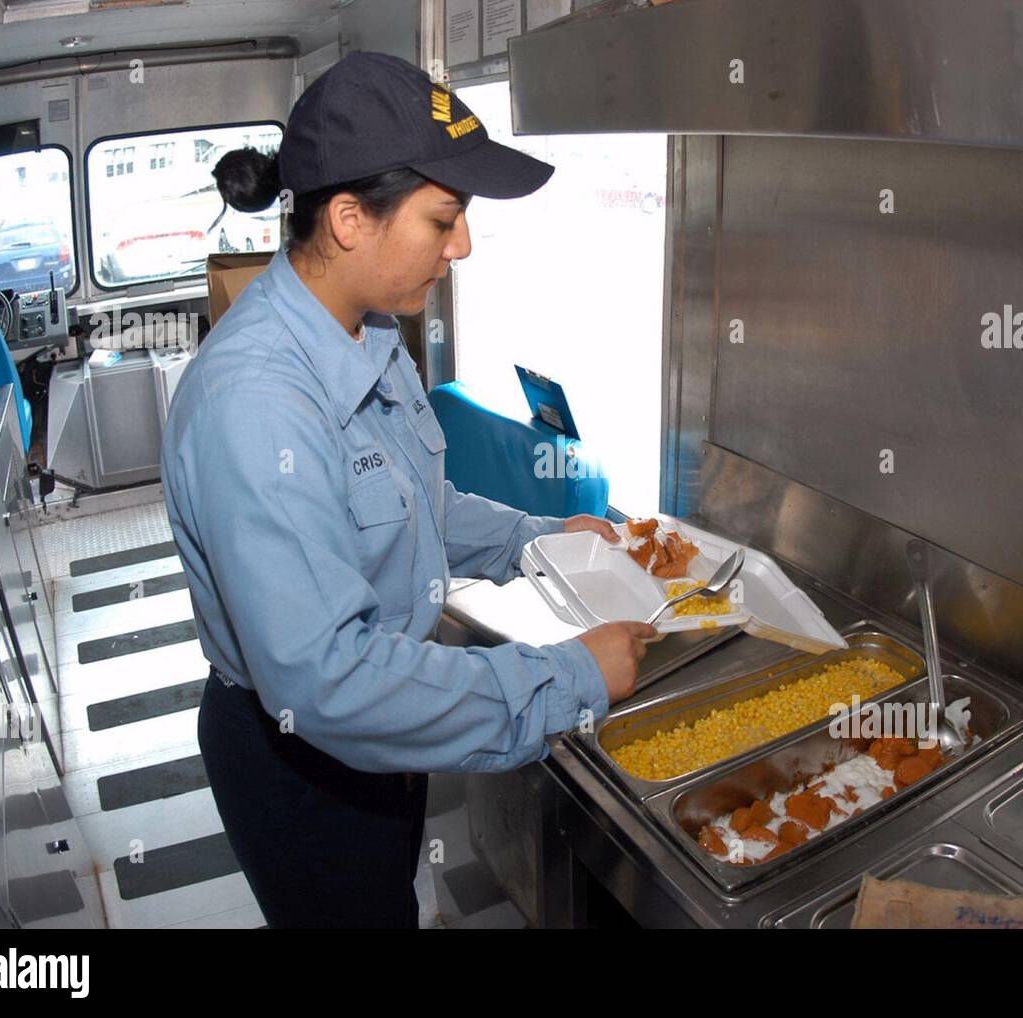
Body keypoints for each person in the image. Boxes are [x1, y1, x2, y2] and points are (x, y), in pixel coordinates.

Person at [159, 51, 656, 929]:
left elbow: (412, 503)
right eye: (444, 219)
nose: (461, 246)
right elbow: (330, 681)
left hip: (368, 730)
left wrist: (538, 537)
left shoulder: (366, 332)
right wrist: (568, 678)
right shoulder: (258, 405)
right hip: (300, 758)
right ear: (350, 219)